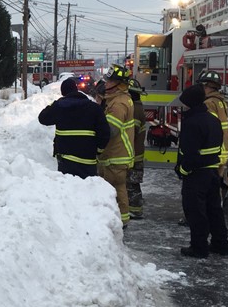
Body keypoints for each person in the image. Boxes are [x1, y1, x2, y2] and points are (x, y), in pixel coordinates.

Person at [175, 84, 228, 258]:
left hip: (196, 175)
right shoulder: (213, 120)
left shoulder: (191, 123)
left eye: (184, 103)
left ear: (190, 103)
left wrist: (183, 170)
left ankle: (199, 247)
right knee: (214, 210)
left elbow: (190, 154)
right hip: (213, 172)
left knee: (196, 212)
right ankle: (221, 244)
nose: (183, 106)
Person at [38, 77, 109, 179]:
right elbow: (105, 133)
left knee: (69, 192)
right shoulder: (94, 108)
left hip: (66, 162)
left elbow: (42, 118)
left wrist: (54, 104)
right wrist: (99, 150)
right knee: (90, 191)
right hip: (88, 162)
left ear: (63, 93)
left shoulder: (59, 106)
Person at [97, 64, 136, 228]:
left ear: (119, 84)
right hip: (118, 154)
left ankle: (120, 221)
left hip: (116, 155)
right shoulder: (119, 100)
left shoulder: (118, 104)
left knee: (115, 190)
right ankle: (123, 220)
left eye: (109, 81)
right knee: (119, 189)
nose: (105, 84)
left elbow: (111, 130)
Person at [197, 69, 228, 176]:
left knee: (208, 187)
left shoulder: (209, 103)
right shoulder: (220, 101)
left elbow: (208, 128)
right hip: (222, 151)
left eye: (203, 86)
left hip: (213, 153)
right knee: (215, 186)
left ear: (207, 87)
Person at [127, 78, 147, 220]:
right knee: (133, 183)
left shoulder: (134, 110)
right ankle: (135, 208)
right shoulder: (137, 107)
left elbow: (130, 134)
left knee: (132, 183)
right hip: (136, 153)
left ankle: (135, 209)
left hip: (133, 155)